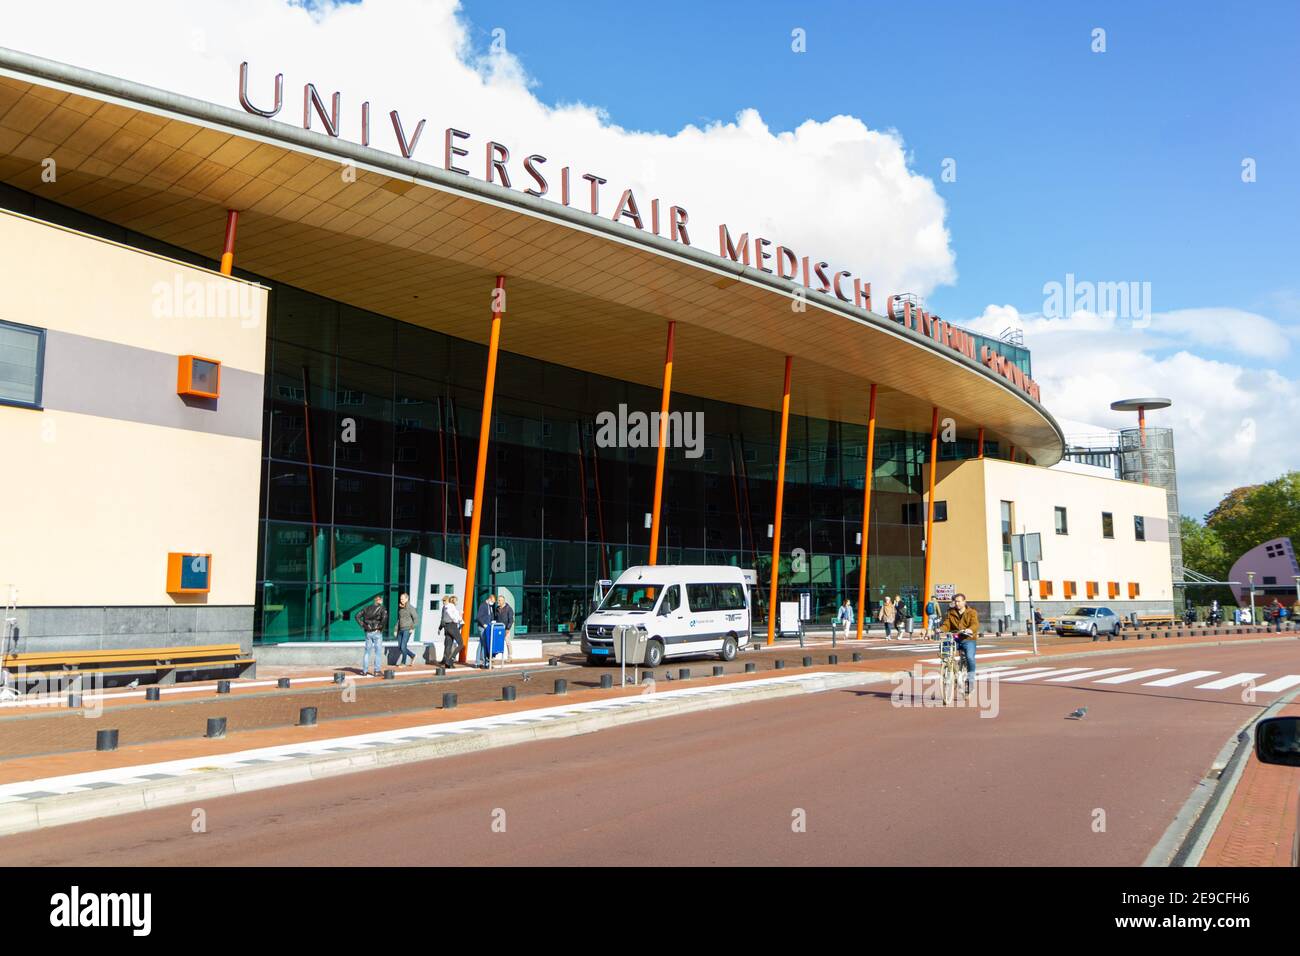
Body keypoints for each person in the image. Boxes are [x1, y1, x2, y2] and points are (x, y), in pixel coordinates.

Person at [940, 592, 979, 696]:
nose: (957, 603)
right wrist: (940, 629)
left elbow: (975, 624)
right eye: (955, 601)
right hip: (956, 638)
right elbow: (947, 624)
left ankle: (970, 682)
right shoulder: (951, 612)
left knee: (970, 658)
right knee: (946, 649)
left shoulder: (972, 612)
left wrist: (970, 630)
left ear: (964, 602)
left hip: (968, 639)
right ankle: (948, 668)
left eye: (959, 601)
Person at [357, 595, 388, 677]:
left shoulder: (366, 608)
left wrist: (364, 626)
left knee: (367, 652)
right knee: (377, 652)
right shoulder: (382, 608)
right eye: (381, 600)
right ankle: (377, 671)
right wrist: (380, 627)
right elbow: (385, 618)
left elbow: (357, 616)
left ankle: (364, 671)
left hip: (368, 632)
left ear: (374, 600)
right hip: (377, 632)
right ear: (380, 600)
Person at [394, 592, 418, 666]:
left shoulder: (411, 608)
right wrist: (395, 629)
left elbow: (416, 619)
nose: (401, 600)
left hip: (407, 630)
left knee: (403, 646)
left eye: (403, 599)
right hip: (400, 630)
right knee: (400, 647)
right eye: (401, 599)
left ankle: (403, 663)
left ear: (407, 599)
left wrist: (412, 628)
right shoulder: (401, 608)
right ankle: (412, 655)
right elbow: (399, 620)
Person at [439, 594, 463, 669]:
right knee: (461, 644)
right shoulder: (450, 606)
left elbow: (443, 619)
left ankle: (447, 662)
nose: (443, 602)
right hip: (452, 626)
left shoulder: (445, 608)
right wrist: (458, 619)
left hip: (447, 627)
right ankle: (450, 660)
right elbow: (454, 617)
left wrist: (440, 628)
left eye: (444, 601)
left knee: (448, 645)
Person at [475, 593, 497, 668]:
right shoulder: (483, 605)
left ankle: (477, 662)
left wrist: (492, 621)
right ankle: (484, 662)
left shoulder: (489, 607)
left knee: (481, 644)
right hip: (482, 627)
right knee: (484, 644)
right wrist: (483, 624)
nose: (493, 603)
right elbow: (478, 617)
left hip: (487, 627)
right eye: (493, 601)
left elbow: (490, 616)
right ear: (489, 599)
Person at [496, 592, 515, 663]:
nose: (498, 601)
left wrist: (508, 629)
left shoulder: (509, 609)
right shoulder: (497, 609)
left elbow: (511, 620)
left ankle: (510, 657)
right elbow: (496, 618)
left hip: (506, 628)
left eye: (500, 600)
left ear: (503, 601)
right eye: (498, 600)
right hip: (498, 628)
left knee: (507, 642)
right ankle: (493, 656)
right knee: (497, 642)